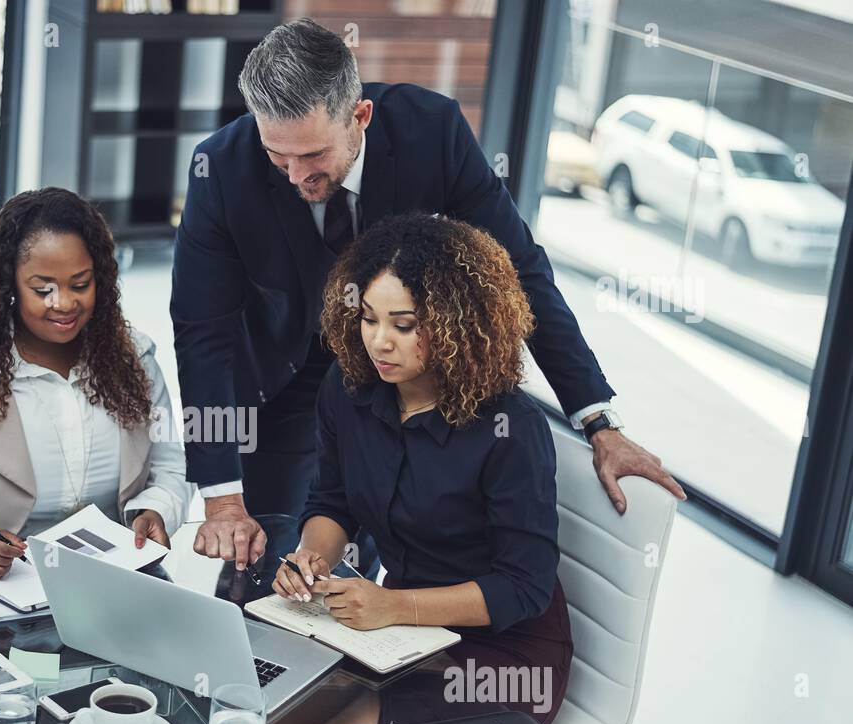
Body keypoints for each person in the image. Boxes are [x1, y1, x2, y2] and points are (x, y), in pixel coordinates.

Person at [172, 17, 684, 574]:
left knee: (362, 561)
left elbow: (520, 272)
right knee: (262, 564)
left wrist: (598, 421)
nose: (296, 176)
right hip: (281, 377)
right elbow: (204, 331)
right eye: (278, 155)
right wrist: (221, 496)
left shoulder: (432, 131)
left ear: (360, 115)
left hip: (398, 371)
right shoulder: (220, 167)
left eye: (314, 156)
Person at [264, 214, 573, 724]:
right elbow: (331, 502)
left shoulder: (511, 430)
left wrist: (393, 605)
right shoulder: (349, 390)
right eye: (369, 320)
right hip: (396, 632)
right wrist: (309, 560)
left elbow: (524, 587)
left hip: (500, 653)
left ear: (459, 325)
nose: (380, 341)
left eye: (404, 326)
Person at [0, 187, 190, 573]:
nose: (63, 303)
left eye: (80, 284)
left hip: (110, 578)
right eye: (42, 289)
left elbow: (171, 465)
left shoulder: (134, 358)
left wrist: (158, 508)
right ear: (8, 284)